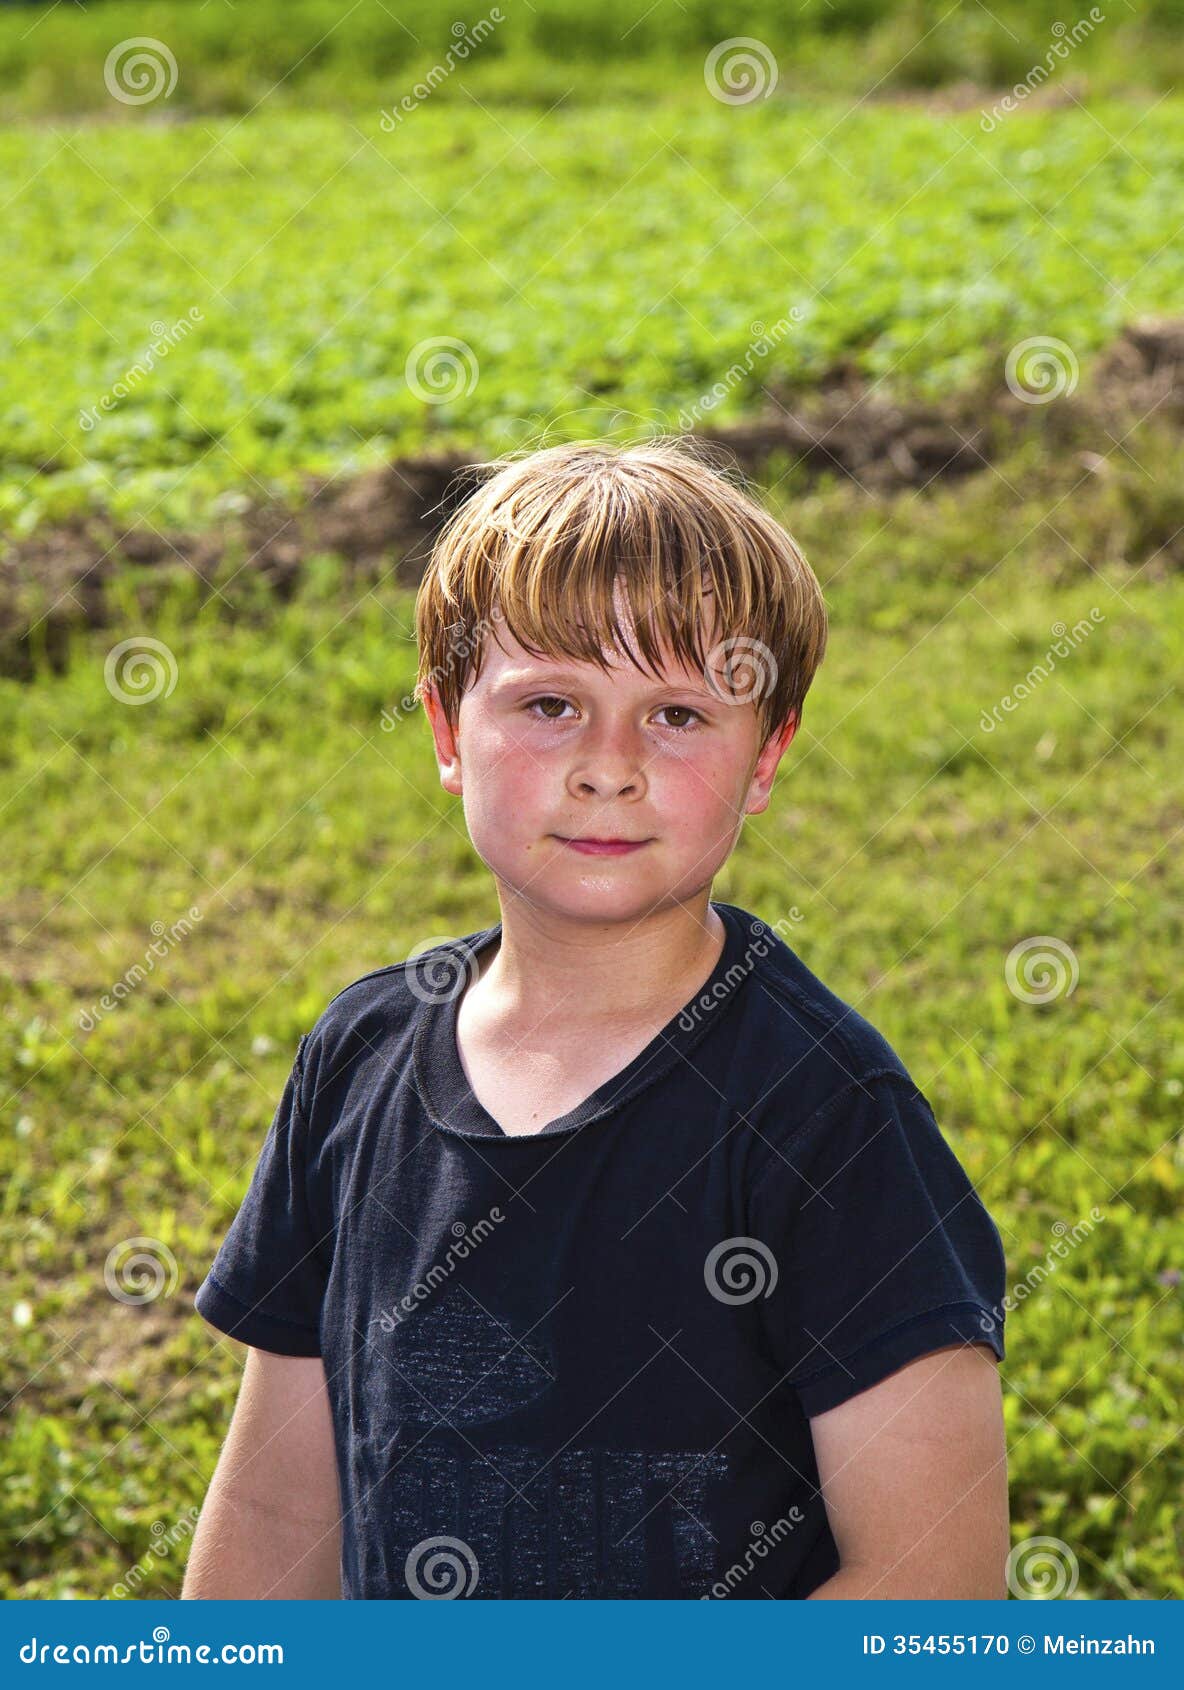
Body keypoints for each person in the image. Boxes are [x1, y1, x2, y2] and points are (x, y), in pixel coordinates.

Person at [185, 437, 1009, 1600]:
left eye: (676, 714)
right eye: (551, 702)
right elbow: (278, 1499)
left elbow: (937, 1572)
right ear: (442, 731)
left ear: (764, 757)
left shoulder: (826, 1115)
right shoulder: (355, 1062)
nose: (605, 765)